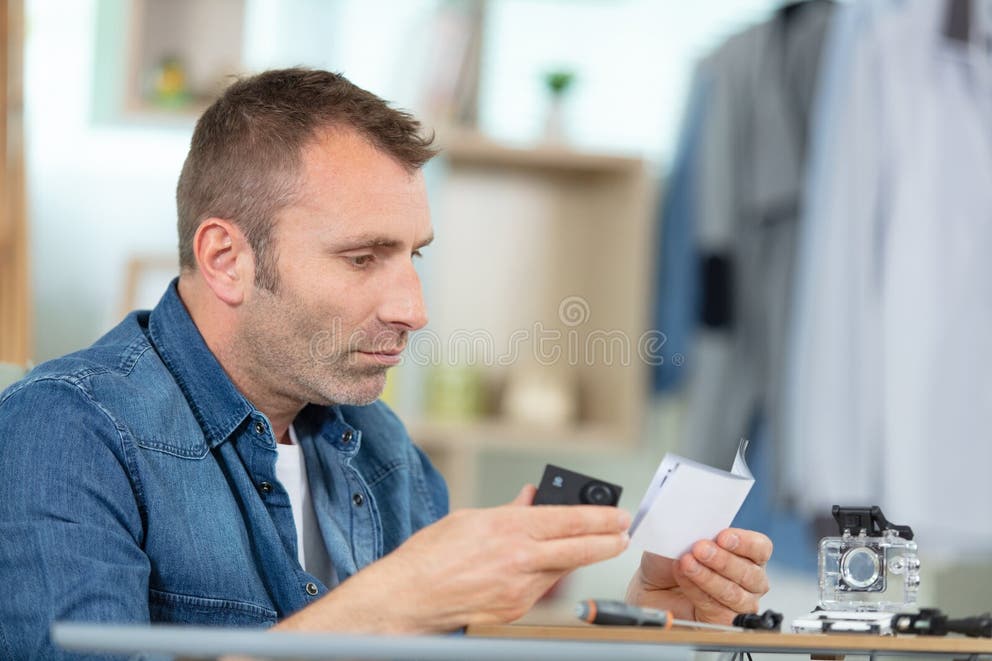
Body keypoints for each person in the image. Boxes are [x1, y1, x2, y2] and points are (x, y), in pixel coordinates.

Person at [0, 68, 772, 658]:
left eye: (413, 256)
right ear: (226, 258)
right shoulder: (66, 429)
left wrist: (655, 614)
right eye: (363, 256)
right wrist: (392, 600)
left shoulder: (383, 449)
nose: (413, 307)